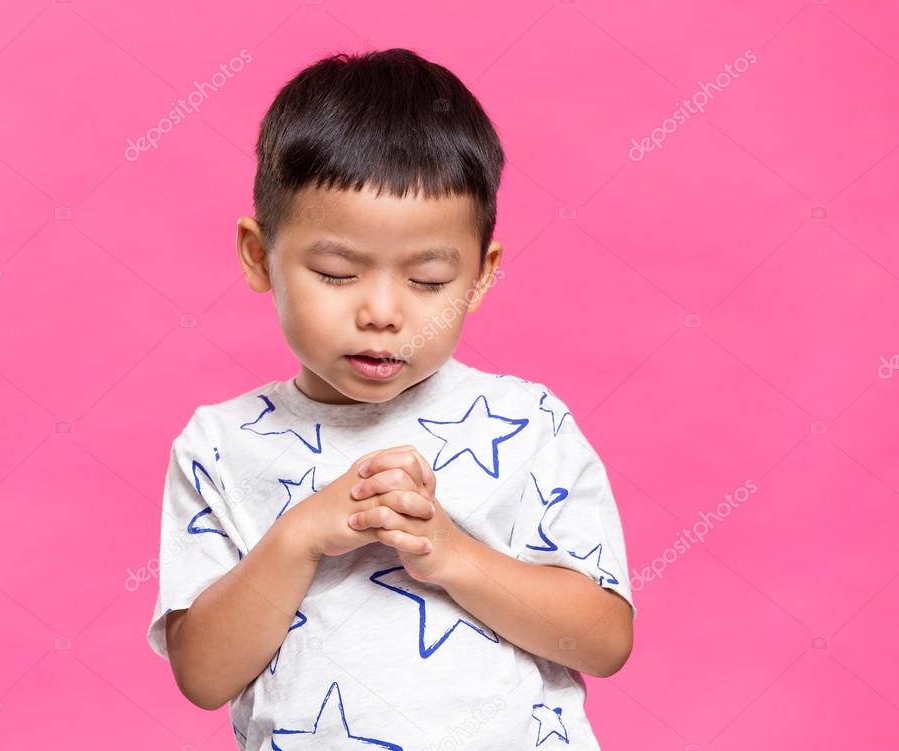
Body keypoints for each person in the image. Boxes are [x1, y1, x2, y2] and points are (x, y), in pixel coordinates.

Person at [147, 47, 636, 750]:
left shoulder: (530, 425)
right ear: (259, 256)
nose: (382, 311)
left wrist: (450, 553)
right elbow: (203, 674)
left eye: (429, 280)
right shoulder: (221, 444)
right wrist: (301, 534)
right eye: (336, 272)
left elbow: (604, 640)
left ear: (479, 275)